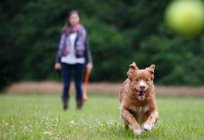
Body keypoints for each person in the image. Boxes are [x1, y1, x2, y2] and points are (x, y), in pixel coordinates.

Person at [54, 10, 93, 110]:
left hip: (79, 60)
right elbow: (60, 47)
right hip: (65, 60)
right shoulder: (65, 31)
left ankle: (79, 103)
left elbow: (86, 48)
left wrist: (89, 62)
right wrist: (57, 61)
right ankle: (65, 102)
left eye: (75, 17)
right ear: (69, 19)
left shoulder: (82, 31)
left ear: (79, 19)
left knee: (78, 84)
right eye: (72, 18)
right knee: (66, 84)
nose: (74, 19)